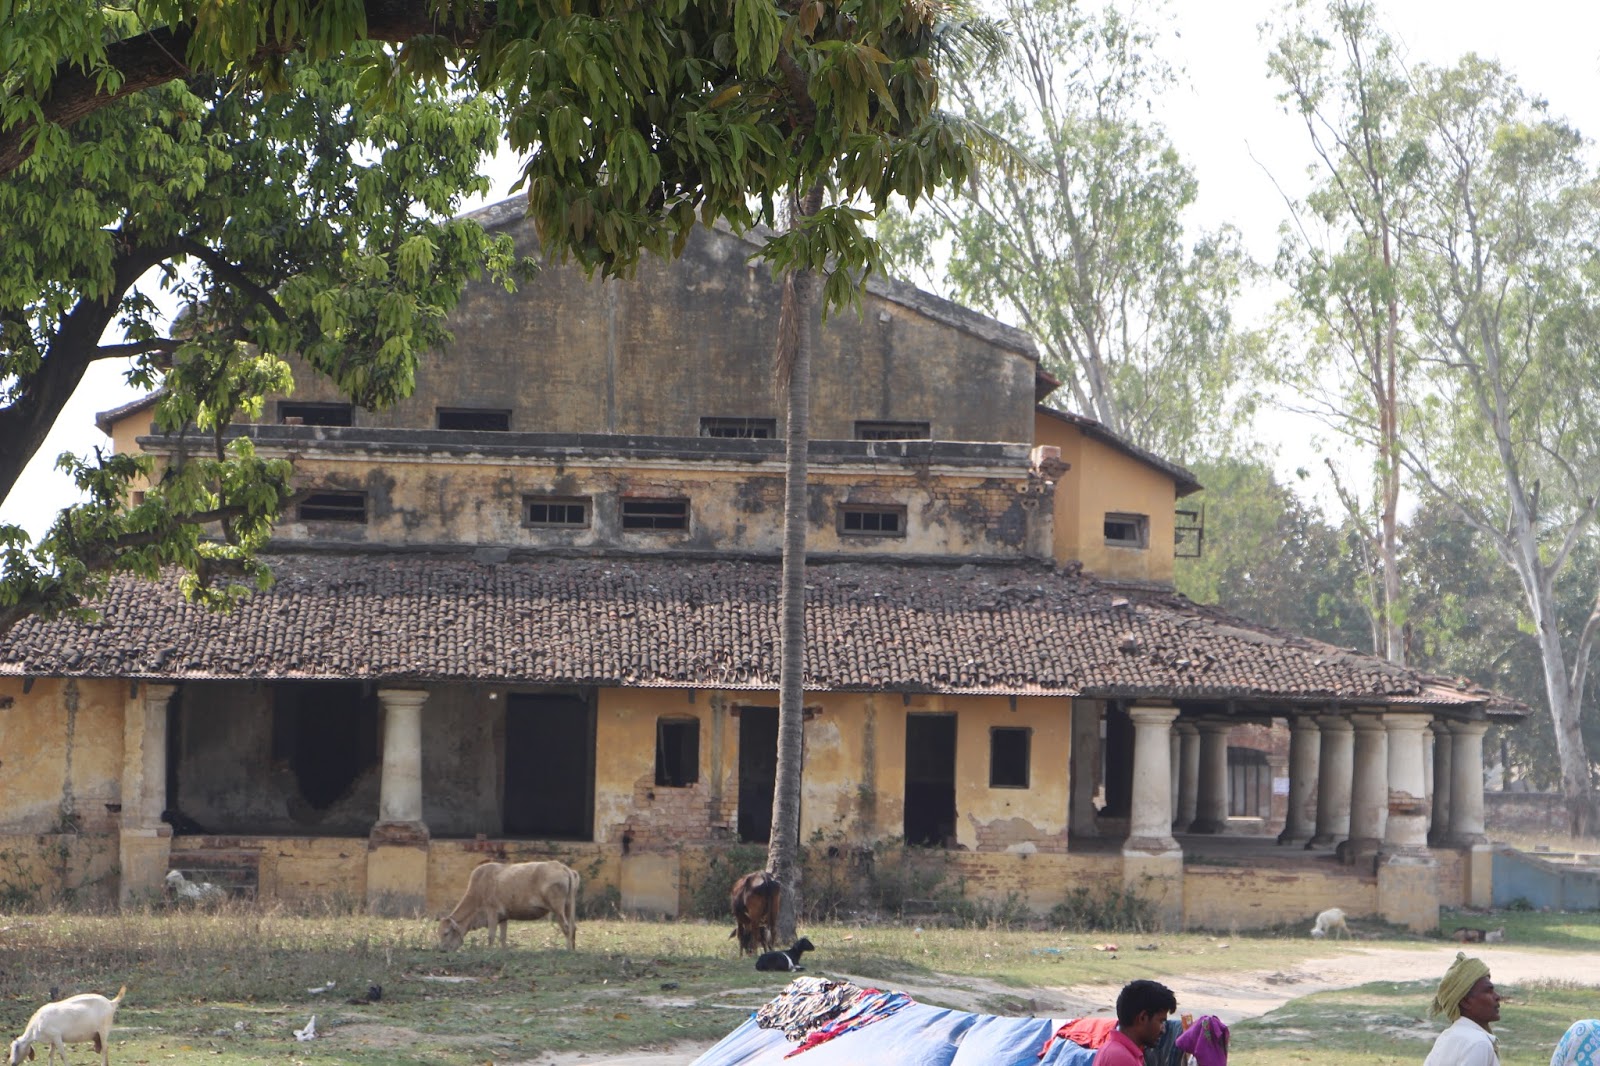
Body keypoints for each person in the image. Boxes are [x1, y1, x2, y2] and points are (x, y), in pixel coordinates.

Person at [1423, 952, 1502, 1066]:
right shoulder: (1478, 1043)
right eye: (1488, 991)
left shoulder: (1447, 1036)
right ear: (1465, 1002)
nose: (1497, 997)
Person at [1094, 979, 1178, 1066]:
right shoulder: (1121, 1058)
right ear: (1142, 1018)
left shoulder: (1116, 1049)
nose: (1163, 1030)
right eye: (1161, 1021)